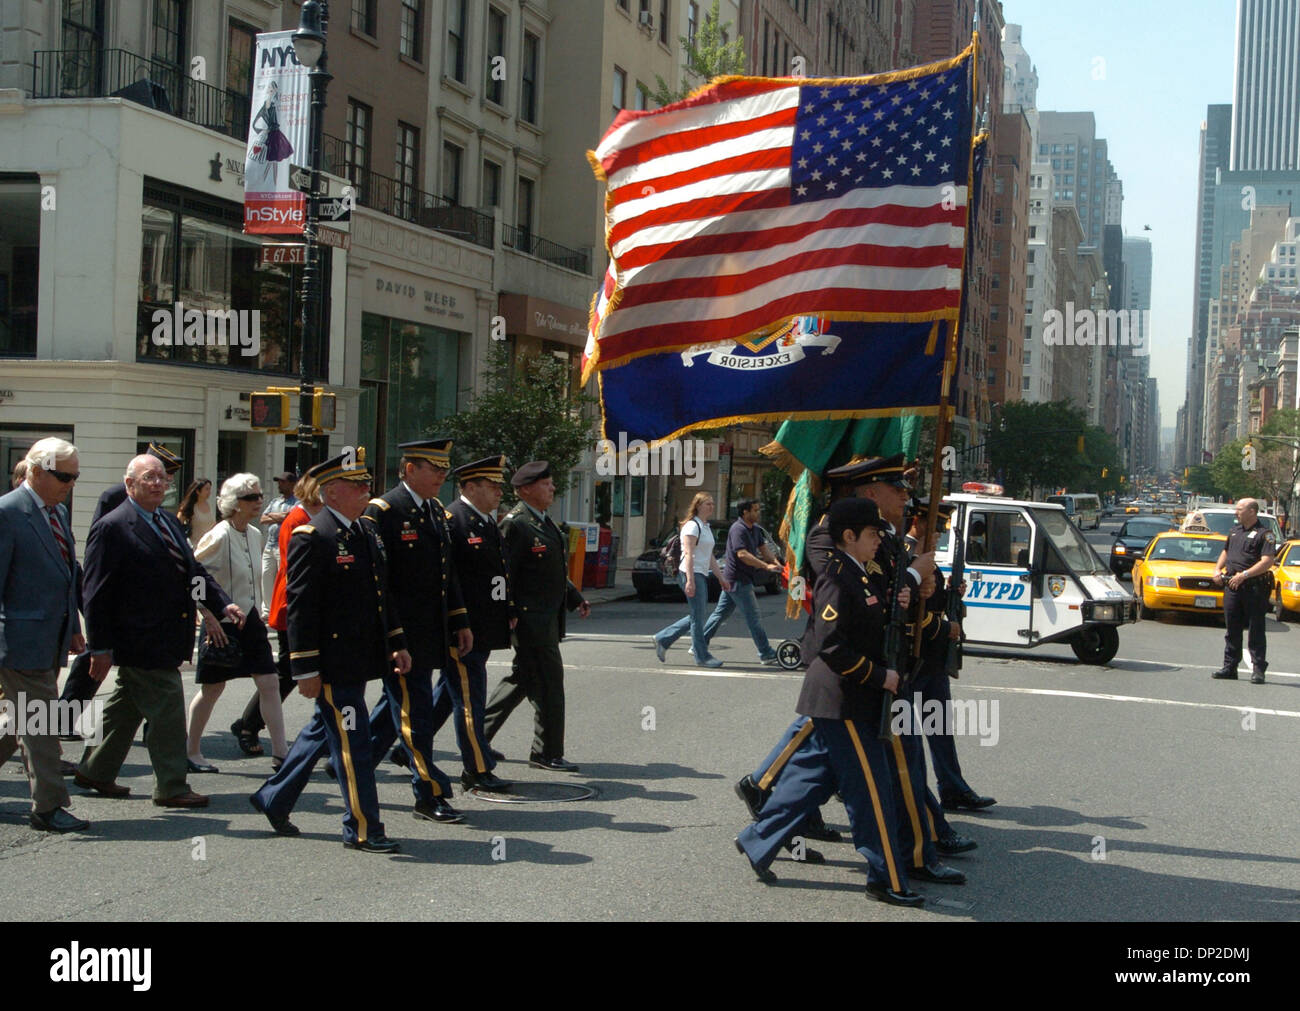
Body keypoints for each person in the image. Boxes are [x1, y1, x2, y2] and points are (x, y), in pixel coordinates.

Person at [736, 498, 923, 905]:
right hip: (846, 698)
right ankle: (886, 878)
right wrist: (881, 676)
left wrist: (900, 604)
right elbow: (832, 647)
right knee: (872, 791)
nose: (879, 540)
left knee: (809, 780)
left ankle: (756, 841)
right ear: (849, 537)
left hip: (843, 699)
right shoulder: (838, 576)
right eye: (873, 534)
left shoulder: (863, 573)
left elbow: (871, 619)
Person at [250, 448, 409, 852]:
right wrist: (304, 669)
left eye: (367, 485)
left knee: (325, 730)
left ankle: (274, 797)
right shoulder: (313, 536)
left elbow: (382, 594)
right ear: (332, 492)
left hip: (360, 659)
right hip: (333, 664)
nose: (366, 492)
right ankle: (363, 826)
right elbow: (301, 606)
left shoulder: (365, 531)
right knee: (354, 744)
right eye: (358, 486)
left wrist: (397, 643)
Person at [76, 454, 243, 808]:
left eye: (161, 479)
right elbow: (96, 592)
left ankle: (95, 769)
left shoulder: (166, 521)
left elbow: (192, 570)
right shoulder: (113, 527)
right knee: (167, 708)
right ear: (129, 484)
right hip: (137, 638)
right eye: (148, 478)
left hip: (167, 634)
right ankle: (171, 785)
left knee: (125, 706)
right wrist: (100, 645)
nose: (157, 484)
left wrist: (219, 602)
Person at [355, 439, 471, 824]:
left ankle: (348, 769)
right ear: (408, 469)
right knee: (415, 716)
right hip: (401, 637)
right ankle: (429, 792)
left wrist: (459, 619)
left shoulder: (435, 510)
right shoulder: (383, 511)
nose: (441, 475)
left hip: (431, 633)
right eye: (432, 468)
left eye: (443, 469)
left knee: (395, 713)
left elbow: (446, 572)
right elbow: (379, 584)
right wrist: (394, 637)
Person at [0, 438, 89, 832]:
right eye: (63, 476)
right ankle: (48, 806)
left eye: (74, 477)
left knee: (16, 719)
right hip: (18, 640)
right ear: (35, 470)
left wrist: (72, 628)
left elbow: (66, 574)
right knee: (41, 721)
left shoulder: (57, 512)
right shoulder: (7, 513)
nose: (70, 483)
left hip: (49, 638)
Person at [483, 461, 590, 771]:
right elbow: (504, 575)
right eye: (547, 484)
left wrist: (574, 596)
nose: (553, 489)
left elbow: (553, 571)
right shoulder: (516, 524)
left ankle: (477, 737)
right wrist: (509, 610)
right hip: (530, 621)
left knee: (521, 680)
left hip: (547, 619)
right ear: (526, 489)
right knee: (549, 684)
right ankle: (546, 752)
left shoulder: (543, 521)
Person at [186, 474, 286, 772]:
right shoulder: (218, 535)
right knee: (212, 689)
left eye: (258, 496)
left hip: (250, 619)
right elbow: (193, 577)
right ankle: (191, 751)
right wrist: (208, 616)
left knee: (270, 682)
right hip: (222, 623)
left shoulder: (255, 534)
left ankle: (281, 753)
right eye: (250, 498)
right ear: (234, 504)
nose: (258, 502)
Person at [231, 475, 322, 756]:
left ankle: (251, 722)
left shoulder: (307, 517)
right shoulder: (297, 520)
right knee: (287, 673)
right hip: (291, 607)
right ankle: (249, 724)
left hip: (301, 606)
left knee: (293, 673)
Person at [441, 454, 515, 792]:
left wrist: (506, 607)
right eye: (493, 485)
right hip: (463, 629)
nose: (499, 491)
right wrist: (461, 622)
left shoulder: (484, 520)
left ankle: (400, 746)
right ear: (470, 487)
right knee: (470, 699)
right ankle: (476, 767)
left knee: (450, 695)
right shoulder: (454, 519)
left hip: (483, 626)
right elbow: (451, 580)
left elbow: (496, 571)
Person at [651, 493, 732, 667]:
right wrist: (689, 580)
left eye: (712, 503)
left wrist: (721, 578)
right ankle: (702, 656)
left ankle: (663, 638)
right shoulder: (692, 526)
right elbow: (688, 554)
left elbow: (709, 556)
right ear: (698, 506)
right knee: (698, 616)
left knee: (697, 615)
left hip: (701, 573)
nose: (711, 506)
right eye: (707, 504)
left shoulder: (706, 526)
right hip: (690, 572)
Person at [700, 499, 781, 664]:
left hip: (738, 579)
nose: (758, 513)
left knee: (720, 614)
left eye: (758, 510)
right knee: (754, 617)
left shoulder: (755, 529)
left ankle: (698, 644)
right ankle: (765, 652)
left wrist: (778, 564)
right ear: (745, 512)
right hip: (737, 580)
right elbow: (742, 555)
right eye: (755, 510)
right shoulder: (738, 529)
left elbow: (764, 550)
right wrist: (766, 567)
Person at [1211, 497, 1276, 684]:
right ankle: (1230, 667)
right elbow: (1226, 552)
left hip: (1254, 588)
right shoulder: (1234, 531)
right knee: (1232, 628)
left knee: (1256, 628)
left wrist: (1245, 574)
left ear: (1252, 512)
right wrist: (1217, 570)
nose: (1236, 512)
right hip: (1232, 586)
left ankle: (1258, 669)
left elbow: (1267, 561)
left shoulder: (1265, 534)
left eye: (1240, 509)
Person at [91, 442, 182, 526]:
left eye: (162, 477)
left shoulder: (169, 520)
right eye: (150, 476)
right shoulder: (114, 496)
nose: (158, 483)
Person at [259, 471, 298, 620]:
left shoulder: (297, 502)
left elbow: (290, 517)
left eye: (283, 482)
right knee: (266, 576)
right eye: (278, 482)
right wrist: (279, 517)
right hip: (270, 544)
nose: (279, 485)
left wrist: (273, 517)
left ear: (292, 484)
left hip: (284, 546)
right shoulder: (275, 502)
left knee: (283, 578)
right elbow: (263, 518)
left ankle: (281, 608)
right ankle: (267, 611)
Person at [176, 478, 214, 546]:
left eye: (210, 489)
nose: (209, 492)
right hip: (195, 546)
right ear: (198, 491)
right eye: (206, 489)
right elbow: (177, 525)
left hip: (210, 546)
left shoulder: (208, 504)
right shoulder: (189, 506)